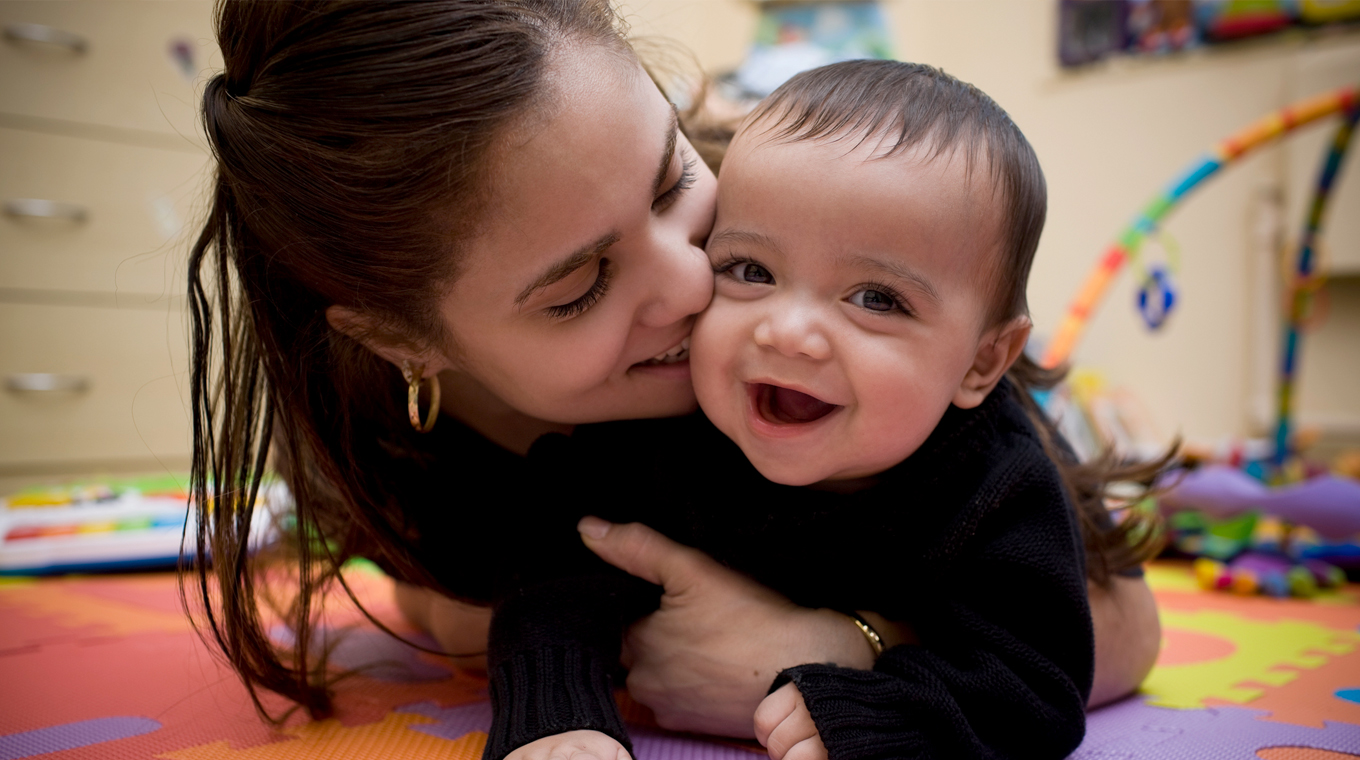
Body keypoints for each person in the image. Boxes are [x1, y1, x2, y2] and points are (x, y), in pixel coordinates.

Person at [186, 0, 1161, 755]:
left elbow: (1114, 624)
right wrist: (519, 636)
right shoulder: (372, 432)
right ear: (404, 342)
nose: (695, 280)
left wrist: (839, 647)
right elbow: (430, 588)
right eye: (578, 286)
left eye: (668, 184)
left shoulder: (797, 208)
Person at [456, 60, 1173, 760]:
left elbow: (1034, 685)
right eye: (750, 271)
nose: (789, 332)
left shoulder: (997, 489)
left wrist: (874, 706)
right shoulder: (655, 434)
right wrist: (555, 716)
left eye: (877, 300)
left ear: (984, 360)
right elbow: (548, 571)